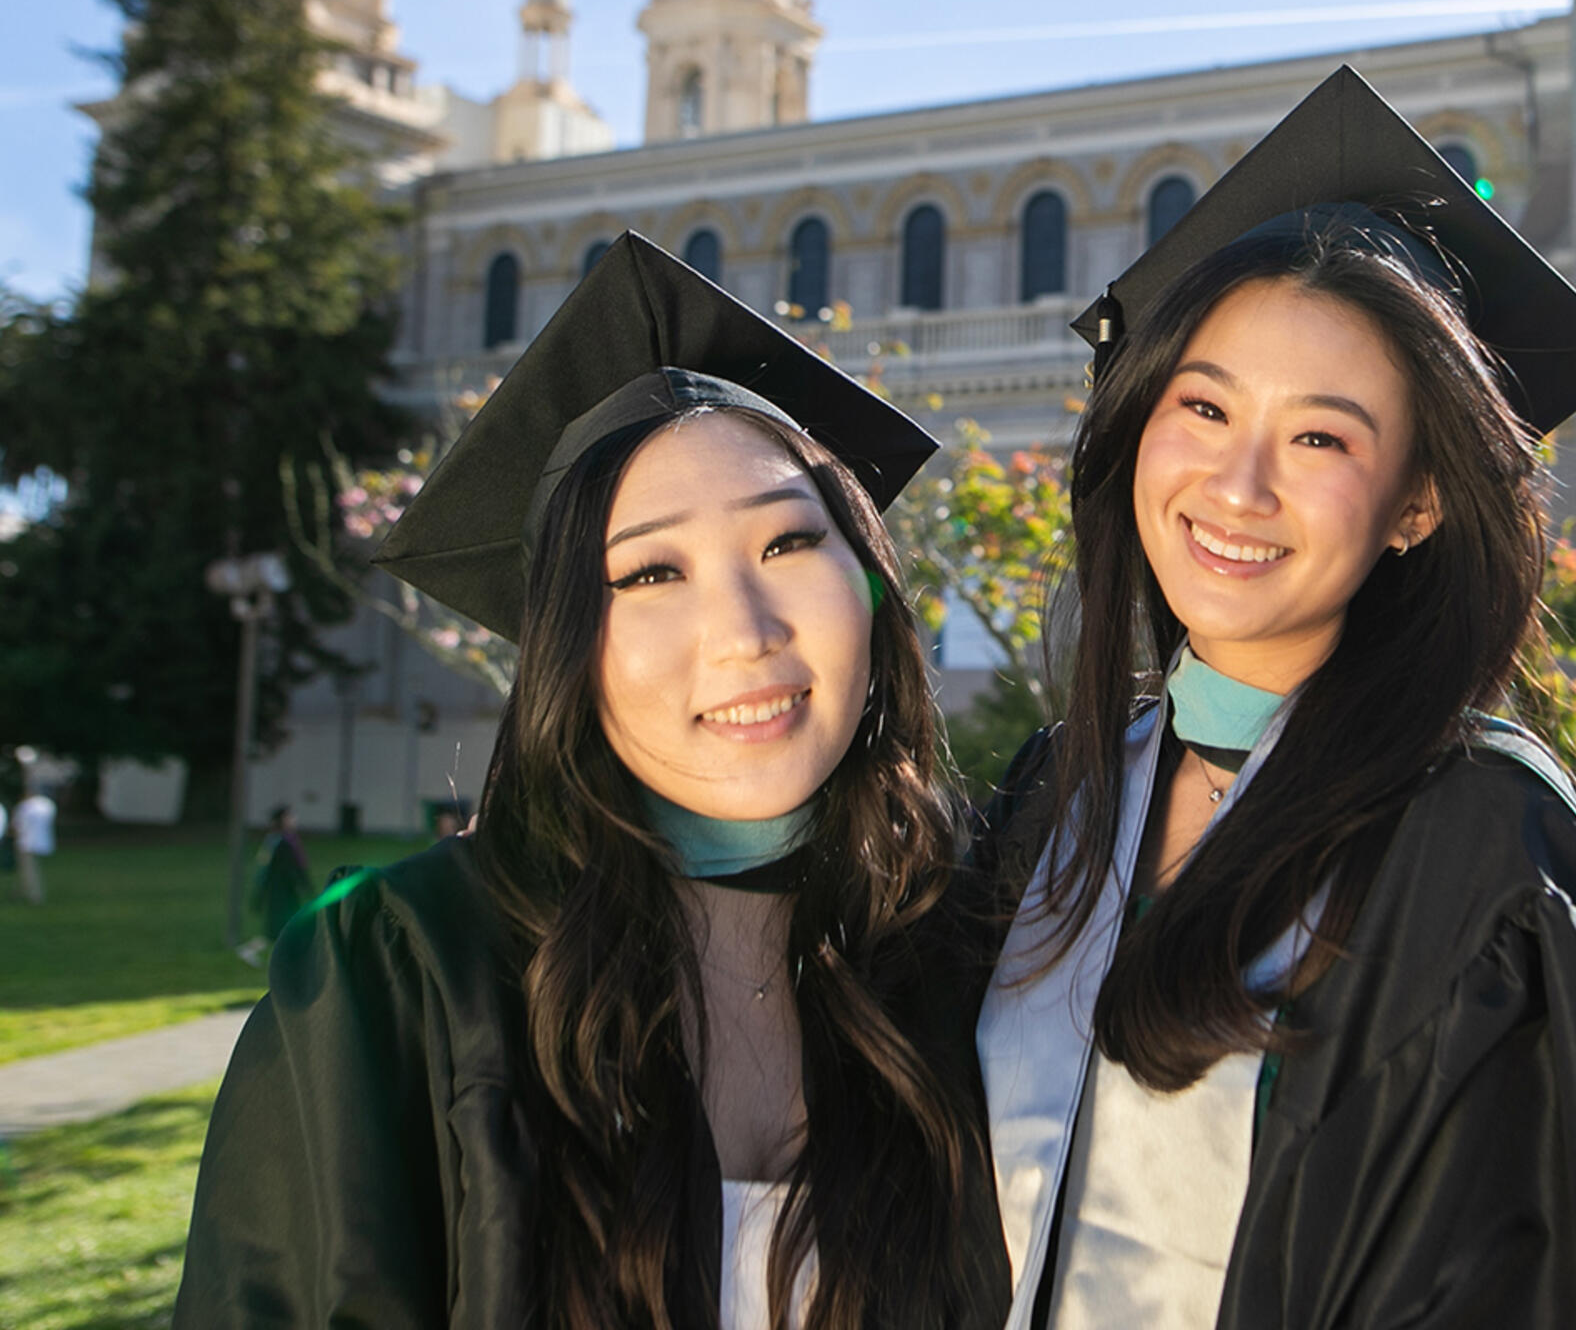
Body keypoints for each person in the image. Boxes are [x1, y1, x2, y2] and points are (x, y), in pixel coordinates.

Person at [976, 67, 1576, 1329]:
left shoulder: (1478, 849)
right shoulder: (1054, 794)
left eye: (1320, 437)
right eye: (1202, 403)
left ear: (1417, 502)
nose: (1235, 485)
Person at [178, 233, 1008, 1330]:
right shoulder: (404, 972)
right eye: (651, 570)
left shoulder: (980, 946)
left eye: (787, 544)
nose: (742, 634)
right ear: (570, 642)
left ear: (872, 589)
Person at [245, 805, 313, 959]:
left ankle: (293, 958)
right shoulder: (281, 842)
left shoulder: (277, 840)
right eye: (290, 816)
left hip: (283, 892)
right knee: (278, 931)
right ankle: (249, 951)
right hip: (281, 893)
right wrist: (305, 886)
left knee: (284, 929)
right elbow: (288, 869)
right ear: (282, 820)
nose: (294, 819)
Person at [13, 788, 55, 906]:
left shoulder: (24, 807)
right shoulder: (47, 805)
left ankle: (35, 896)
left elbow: (18, 825)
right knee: (28, 869)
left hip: (26, 842)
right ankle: (20, 891)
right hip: (42, 842)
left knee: (30, 870)